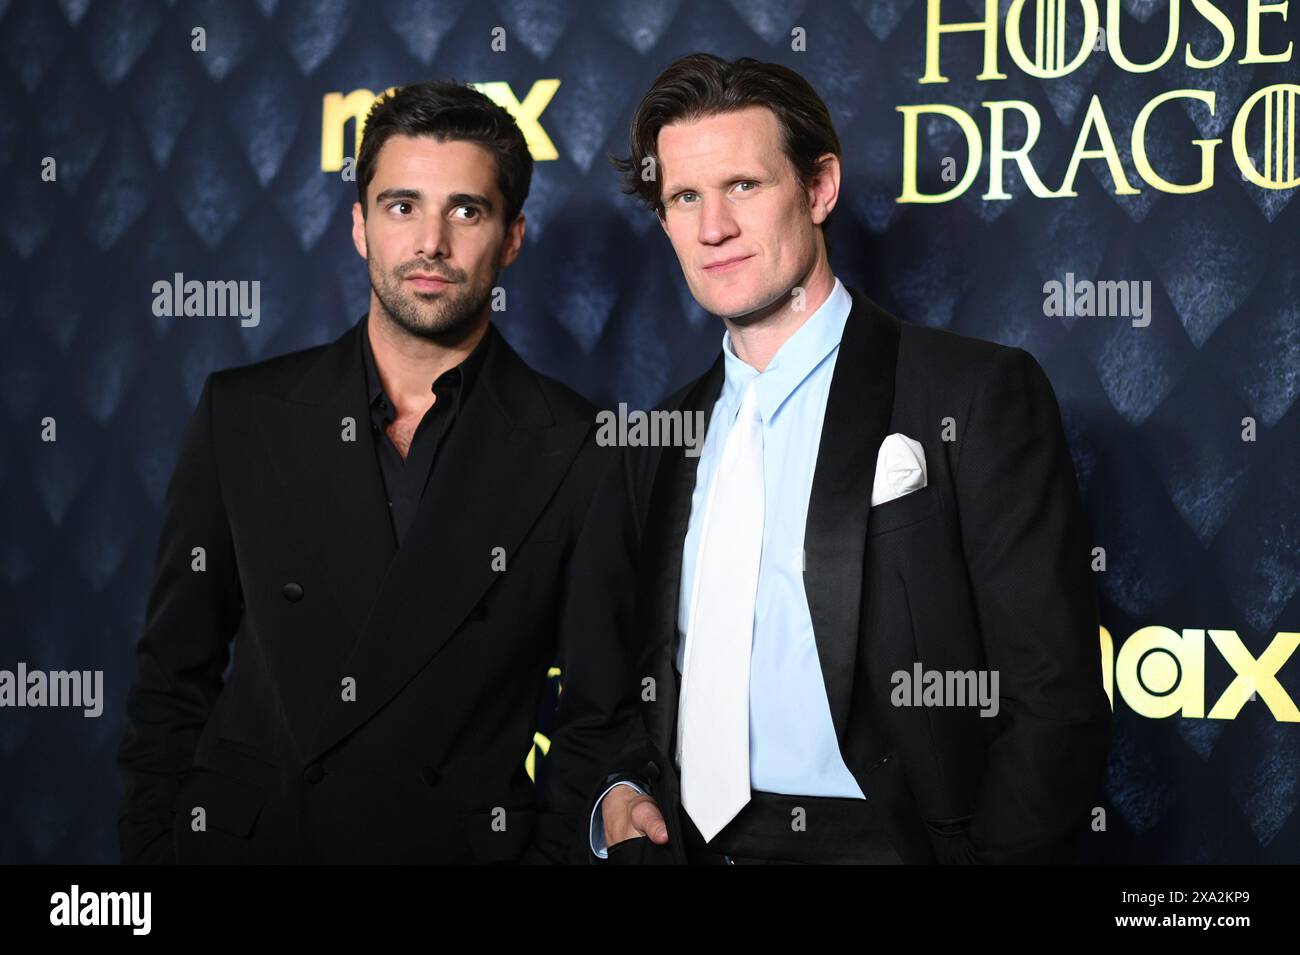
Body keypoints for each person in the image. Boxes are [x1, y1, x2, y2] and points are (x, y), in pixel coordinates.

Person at [589, 53, 1112, 864]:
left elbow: (1055, 698)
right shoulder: (658, 437)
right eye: (685, 197)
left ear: (820, 188)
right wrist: (620, 787)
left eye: (744, 186)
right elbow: (625, 671)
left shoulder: (972, 394)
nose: (712, 227)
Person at [118, 80, 628, 864]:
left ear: (513, 235)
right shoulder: (242, 415)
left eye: (466, 210)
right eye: (401, 207)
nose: (431, 242)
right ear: (359, 226)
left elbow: (596, 714)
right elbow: (170, 678)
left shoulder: (580, 445)